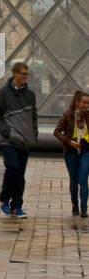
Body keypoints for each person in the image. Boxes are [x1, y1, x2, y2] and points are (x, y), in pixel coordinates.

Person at [0, 61, 38, 219]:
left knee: (20, 174)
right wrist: (6, 132)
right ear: (15, 74)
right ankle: (4, 198)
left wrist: (34, 135)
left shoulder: (30, 95)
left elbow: (33, 117)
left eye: (27, 74)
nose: (26, 77)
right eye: (23, 74)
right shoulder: (3, 93)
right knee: (13, 167)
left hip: (24, 140)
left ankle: (16, 205)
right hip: (8, 140)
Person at [53, 90, 89, 220]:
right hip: (71, 151)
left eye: (88, 103)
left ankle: (84, 208)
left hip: (86, 150)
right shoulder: (68, 115)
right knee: (74, 180)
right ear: (77, 102)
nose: (86, 105)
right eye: (84, 103)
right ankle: (75, 206)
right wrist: (69, 142)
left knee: (83, 179)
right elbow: (56, 132)